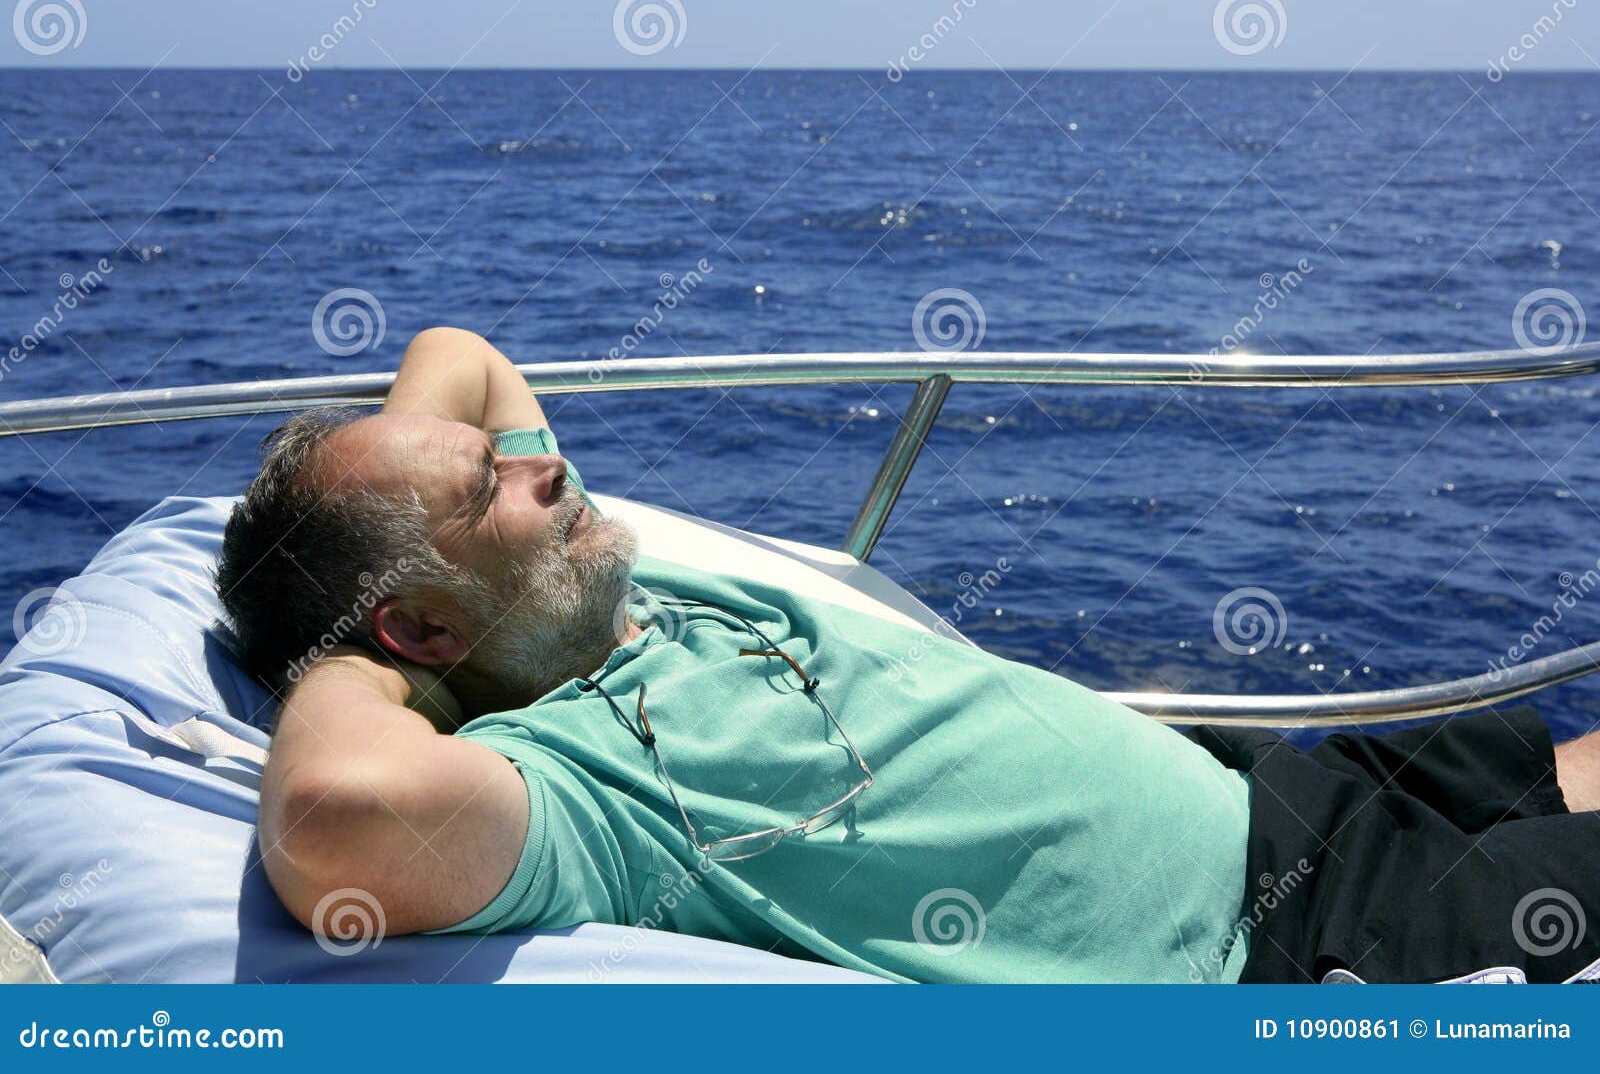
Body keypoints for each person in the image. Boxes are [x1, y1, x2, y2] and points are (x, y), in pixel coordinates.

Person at [218, 327, 1600, 983]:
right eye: (491, 490)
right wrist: (363, 649)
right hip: (1308, 944)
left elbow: (456, 356)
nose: (546, 459)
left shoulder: (590, 587)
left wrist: (427, 503)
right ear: (419, 630)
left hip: (1282, 796)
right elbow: (340, 812)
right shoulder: (580, 787)